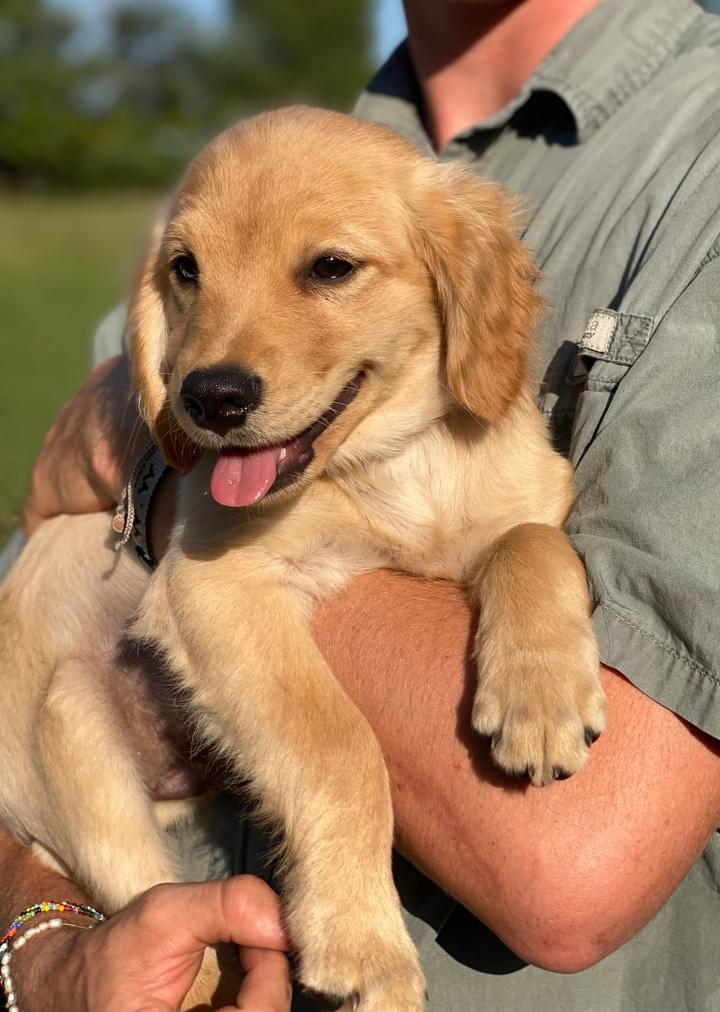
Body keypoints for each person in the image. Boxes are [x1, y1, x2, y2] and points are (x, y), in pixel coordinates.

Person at [3, 0, 720, 1008]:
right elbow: (27, 660)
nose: (221, 362)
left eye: (328, 269)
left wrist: (155, 478)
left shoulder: (696, 155)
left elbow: (575, 867)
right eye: (189, 276)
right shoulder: (268, 154)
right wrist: (41, 940)